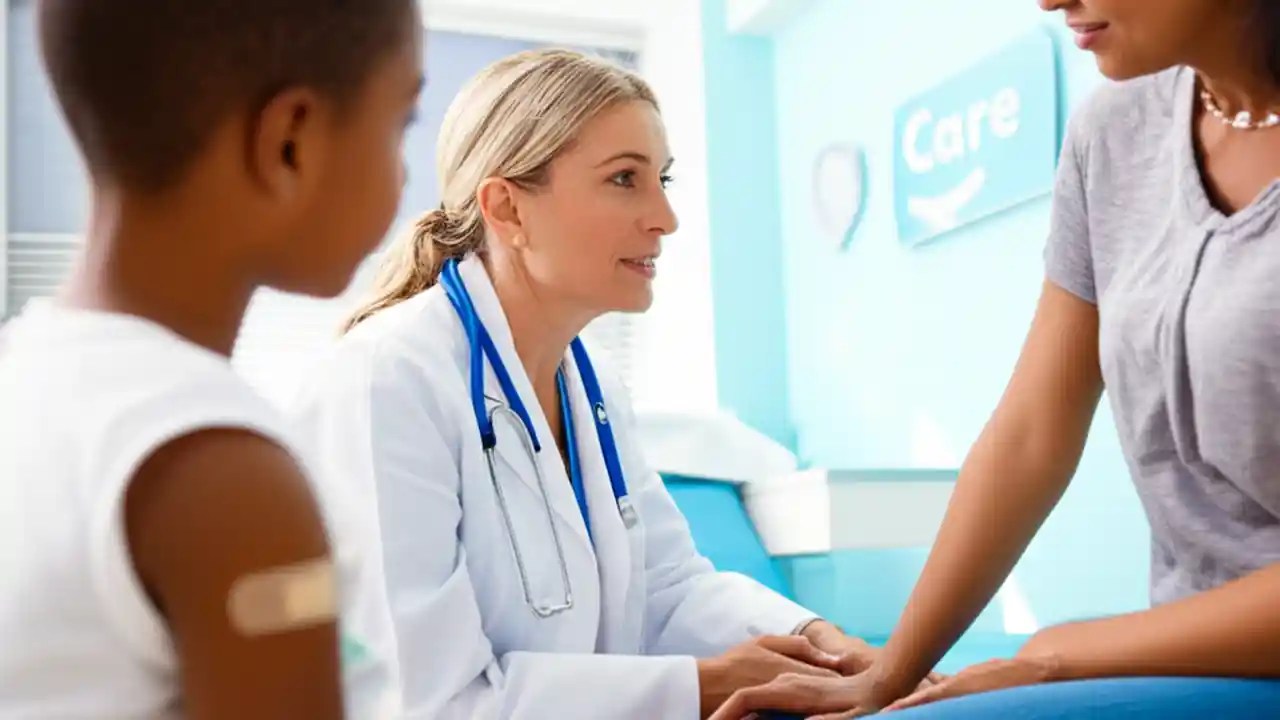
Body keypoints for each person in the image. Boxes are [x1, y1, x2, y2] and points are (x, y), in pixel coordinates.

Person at [711, 1, 1280, 718]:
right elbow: (1029, 436)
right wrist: (888, 677)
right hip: (1194, 661)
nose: (1049, 1)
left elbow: (1058, 649)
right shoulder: (1113, 134)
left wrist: (1054, 653)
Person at [286, 48, 886, 719]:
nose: (665, 216)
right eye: (626, 179)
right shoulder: (385, 381)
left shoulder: (591, 385)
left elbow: (668, 588)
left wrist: (815, 642)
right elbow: (428, 703)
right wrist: (702, 683)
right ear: (508, 209)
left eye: (663, 178)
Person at [0, 1, 422, 717]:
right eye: (400, 126)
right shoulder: (224, 474)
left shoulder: (29, 376)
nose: (408, 177)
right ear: (290, 141)